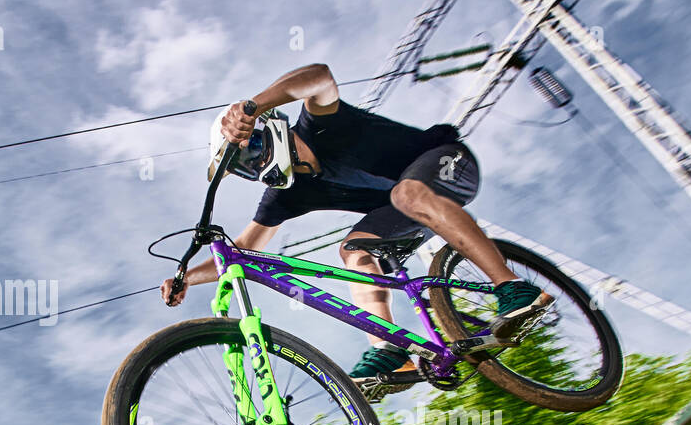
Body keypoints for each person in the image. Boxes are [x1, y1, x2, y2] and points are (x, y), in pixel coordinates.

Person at [160, 62, 545, 395]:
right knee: (355, 252)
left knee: (407, 192)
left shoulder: (320, 125)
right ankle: (390, 352)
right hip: (405, 209)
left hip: (447, 161)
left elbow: (320, 77)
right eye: (245, 170)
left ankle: (512, 287)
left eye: (251, 155)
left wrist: (253, 105)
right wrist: (187, 279)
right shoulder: (288, 194)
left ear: (266, 132)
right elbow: (241, 251)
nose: (257, 168)